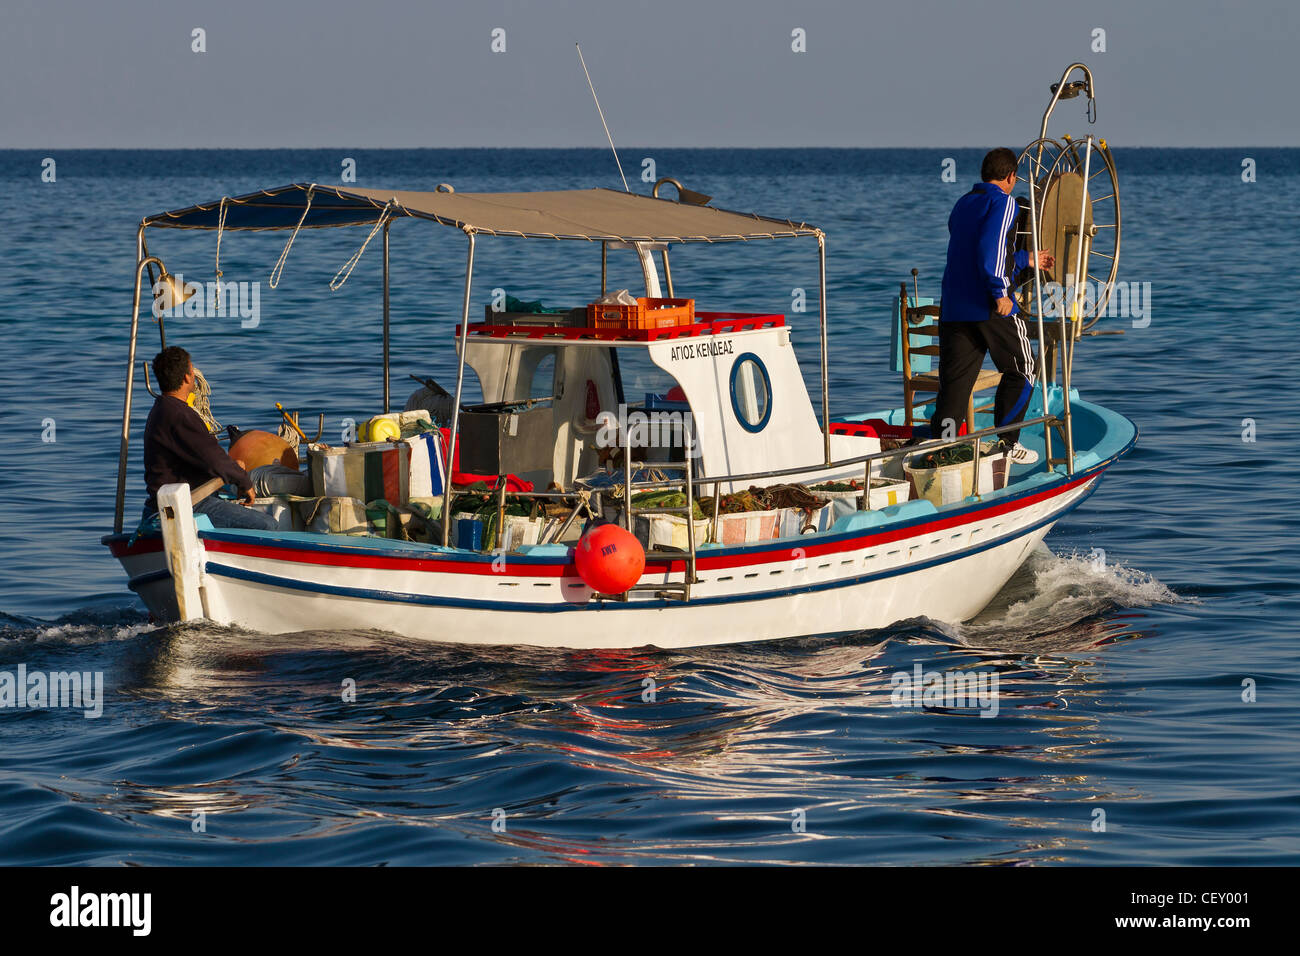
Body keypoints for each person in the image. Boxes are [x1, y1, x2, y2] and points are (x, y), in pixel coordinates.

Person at [930, 147, 1054, 464]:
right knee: (1024, 367)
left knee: (955, 385)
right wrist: (1000, 292)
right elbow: (990, 250)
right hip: (989, 305)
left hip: (954, 308)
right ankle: (1008, 442)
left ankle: (939, 448)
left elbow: (976, 253)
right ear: (1011, 177)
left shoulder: (963, 204)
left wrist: (1027, 260)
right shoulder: (1003, 202)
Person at [142, 346, 280, 531]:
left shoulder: (160, 409)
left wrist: (232, 468)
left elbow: (202, 458)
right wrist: (243, 481)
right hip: (188, 503)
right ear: (187, 377)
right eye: (192, 370)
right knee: (269, 525)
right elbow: (213, 459)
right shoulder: (180, 415)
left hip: (162, 502)